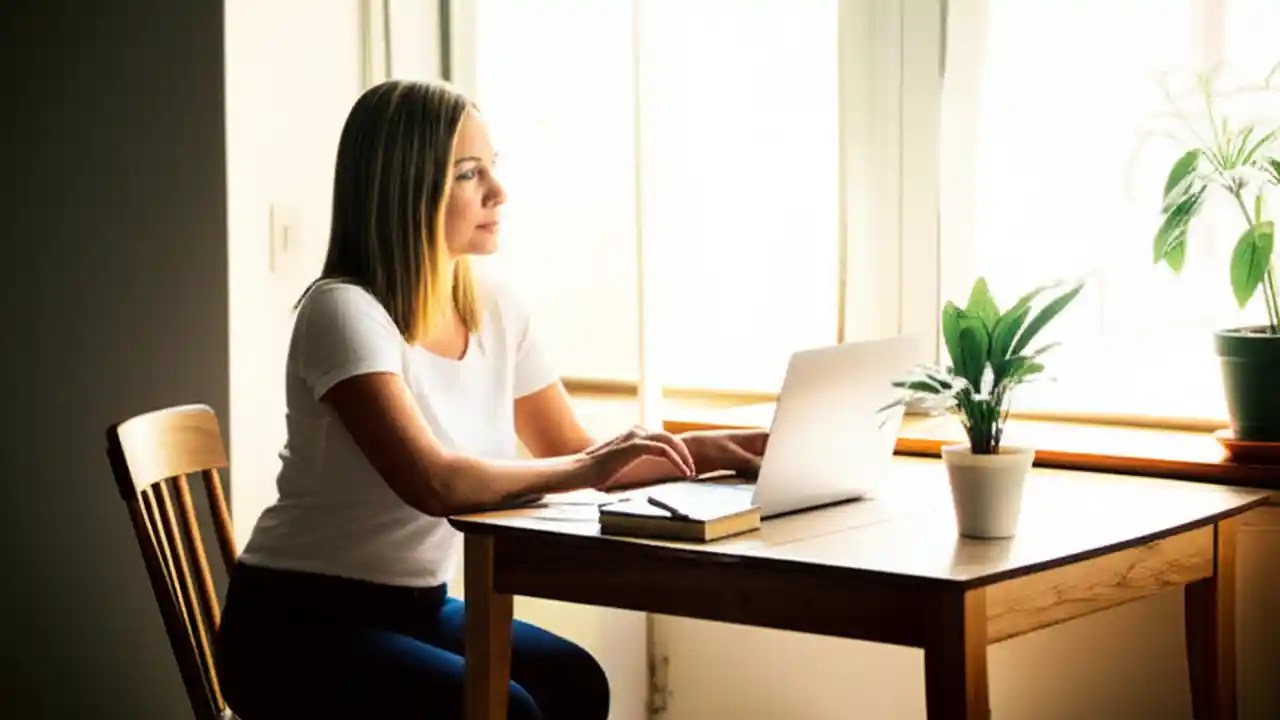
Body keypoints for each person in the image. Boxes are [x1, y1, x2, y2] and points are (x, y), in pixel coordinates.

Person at [213, 79, 768, 719]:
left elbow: (574, 450)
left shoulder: (497, 309)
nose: (498, 193)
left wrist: (707, 451)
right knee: (509, 711)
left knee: (574, 681)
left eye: (492, 169)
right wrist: (588, 468)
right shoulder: (342, 311)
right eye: (469, 174)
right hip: (294, 625)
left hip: (416, 607)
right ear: (406, 188)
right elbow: (435, 482)